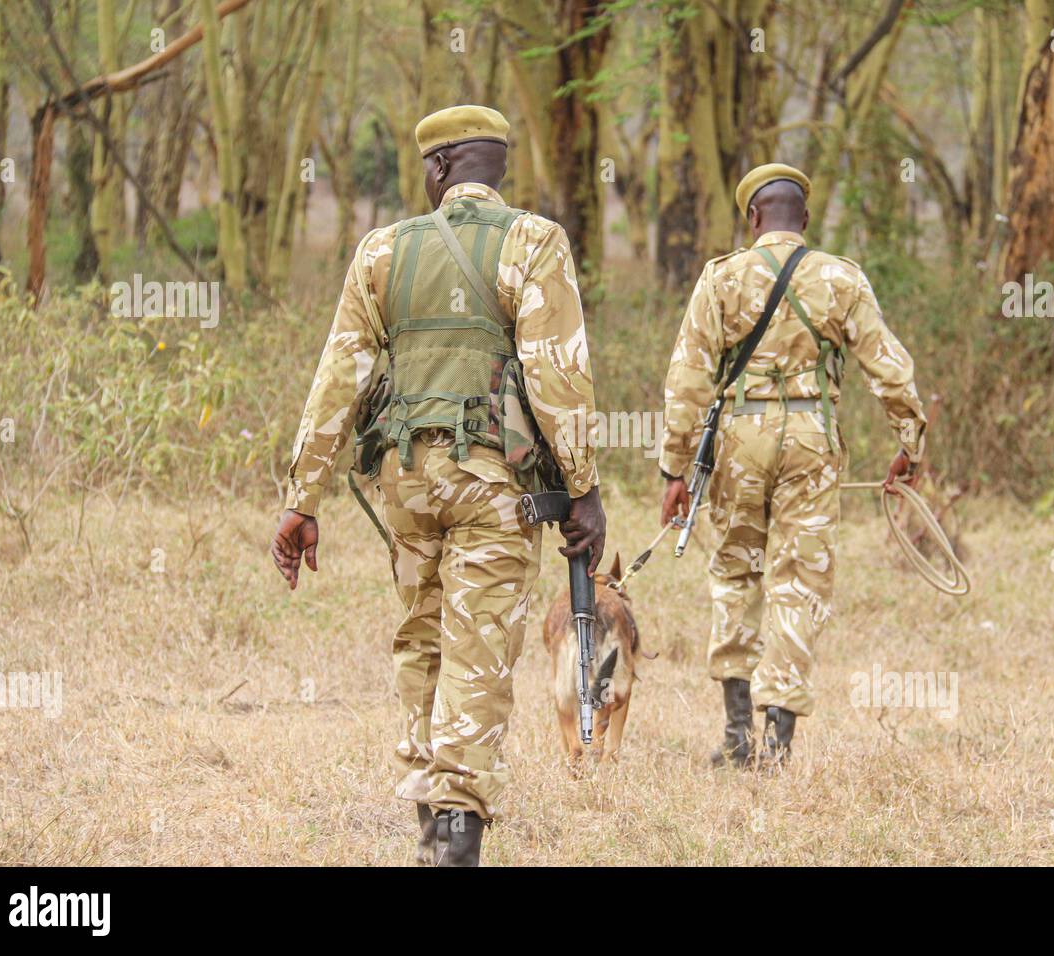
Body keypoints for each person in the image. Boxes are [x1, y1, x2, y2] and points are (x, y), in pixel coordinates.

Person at [270, 106, 606, 866]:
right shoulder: (533, 241)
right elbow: (559, 376)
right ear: (495, 169)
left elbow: (337, 385)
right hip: (494, 483)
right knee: (478, 647)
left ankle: (429, 823)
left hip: (407, 484)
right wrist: (582, 487)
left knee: (422, 637)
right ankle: (458, 833)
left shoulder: (382, 250)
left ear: (440, 167)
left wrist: (302, 501)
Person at [658, 163, 927, 769]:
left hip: (739, 438)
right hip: (812, 436)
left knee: (735, 573)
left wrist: (675, 470)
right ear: (803, 219)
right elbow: (889, 367)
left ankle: (735, 738)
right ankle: (778, 744)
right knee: (799, 583)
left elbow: (687, 379)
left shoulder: (720, 279)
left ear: (753, 218)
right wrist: (910, 443)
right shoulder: (840, 278)